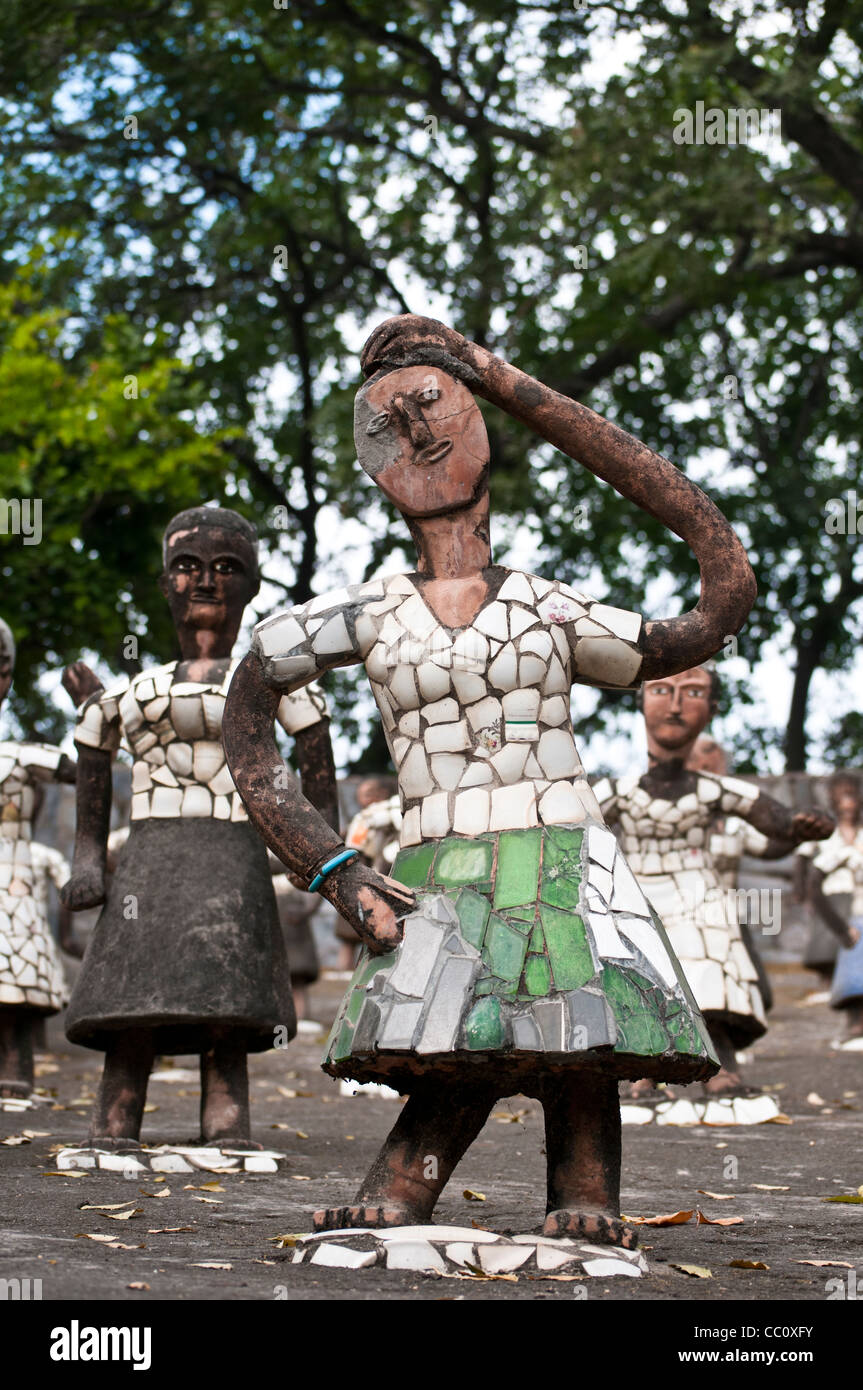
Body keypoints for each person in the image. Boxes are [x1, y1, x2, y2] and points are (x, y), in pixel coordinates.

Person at [224, 314, 763, 1245]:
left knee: (577, 1033)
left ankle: (584, 1193)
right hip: (437, 849)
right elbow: (248, 712)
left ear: (480, 424)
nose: (419, 433)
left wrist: (504, 379)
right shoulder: (367, 615)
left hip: (557, 839)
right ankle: (401, 1190)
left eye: (433, 405)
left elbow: (721, 594)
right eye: (388, 422)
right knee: (453, 1036)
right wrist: (330, 865)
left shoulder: (547, 611)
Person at [62, 507, 339, 1149]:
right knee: (131, 995)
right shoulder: (135, 694)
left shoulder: (275, 686)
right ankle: (115, 1117)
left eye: (226, 568)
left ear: (251, 587)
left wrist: (317, 861)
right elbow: (93, 760)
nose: (206, 582)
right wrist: (86, 861)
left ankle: (226, 1120)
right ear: (166, 584)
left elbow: (317, 785)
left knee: (228, 1001)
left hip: (234, 854)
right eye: (187, 567)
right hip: (148, 856)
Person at [596, 666, 832, 1095]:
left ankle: (718, 1056)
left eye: (692, 693)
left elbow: (775, 824)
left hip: (702, 891)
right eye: (662, 690)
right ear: (642, 702)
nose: (675, 704)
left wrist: (801, 826)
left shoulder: (716, 792)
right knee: (642, 963)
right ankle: (647, 1066)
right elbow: (577, 823)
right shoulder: (621, 790)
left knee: (712, 939)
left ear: (712, 709)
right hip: (640, 890)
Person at [0, 617, 84, 1097]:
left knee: (13, 989)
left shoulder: (23, 755)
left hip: (13, 879)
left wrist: (89, 713)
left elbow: (86, 772)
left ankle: (14, 1075)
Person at [796, 773, 863, 990]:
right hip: (827, 890)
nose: (847, 801)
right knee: (827, 939)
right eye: (842, 794)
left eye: (850, 794)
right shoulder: (826, 829)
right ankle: (828, 983)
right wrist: (801, 890)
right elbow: (804, 857)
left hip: (855, 893)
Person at [334, 776, 401, 971]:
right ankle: (347, 970)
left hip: (382, 869)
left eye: (368, 795)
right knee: (350, 932)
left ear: (381, 794)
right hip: (370, 870)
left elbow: (357, 846)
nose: (363, 800)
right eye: (361, 795)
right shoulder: (369, 816)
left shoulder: (387, 813)